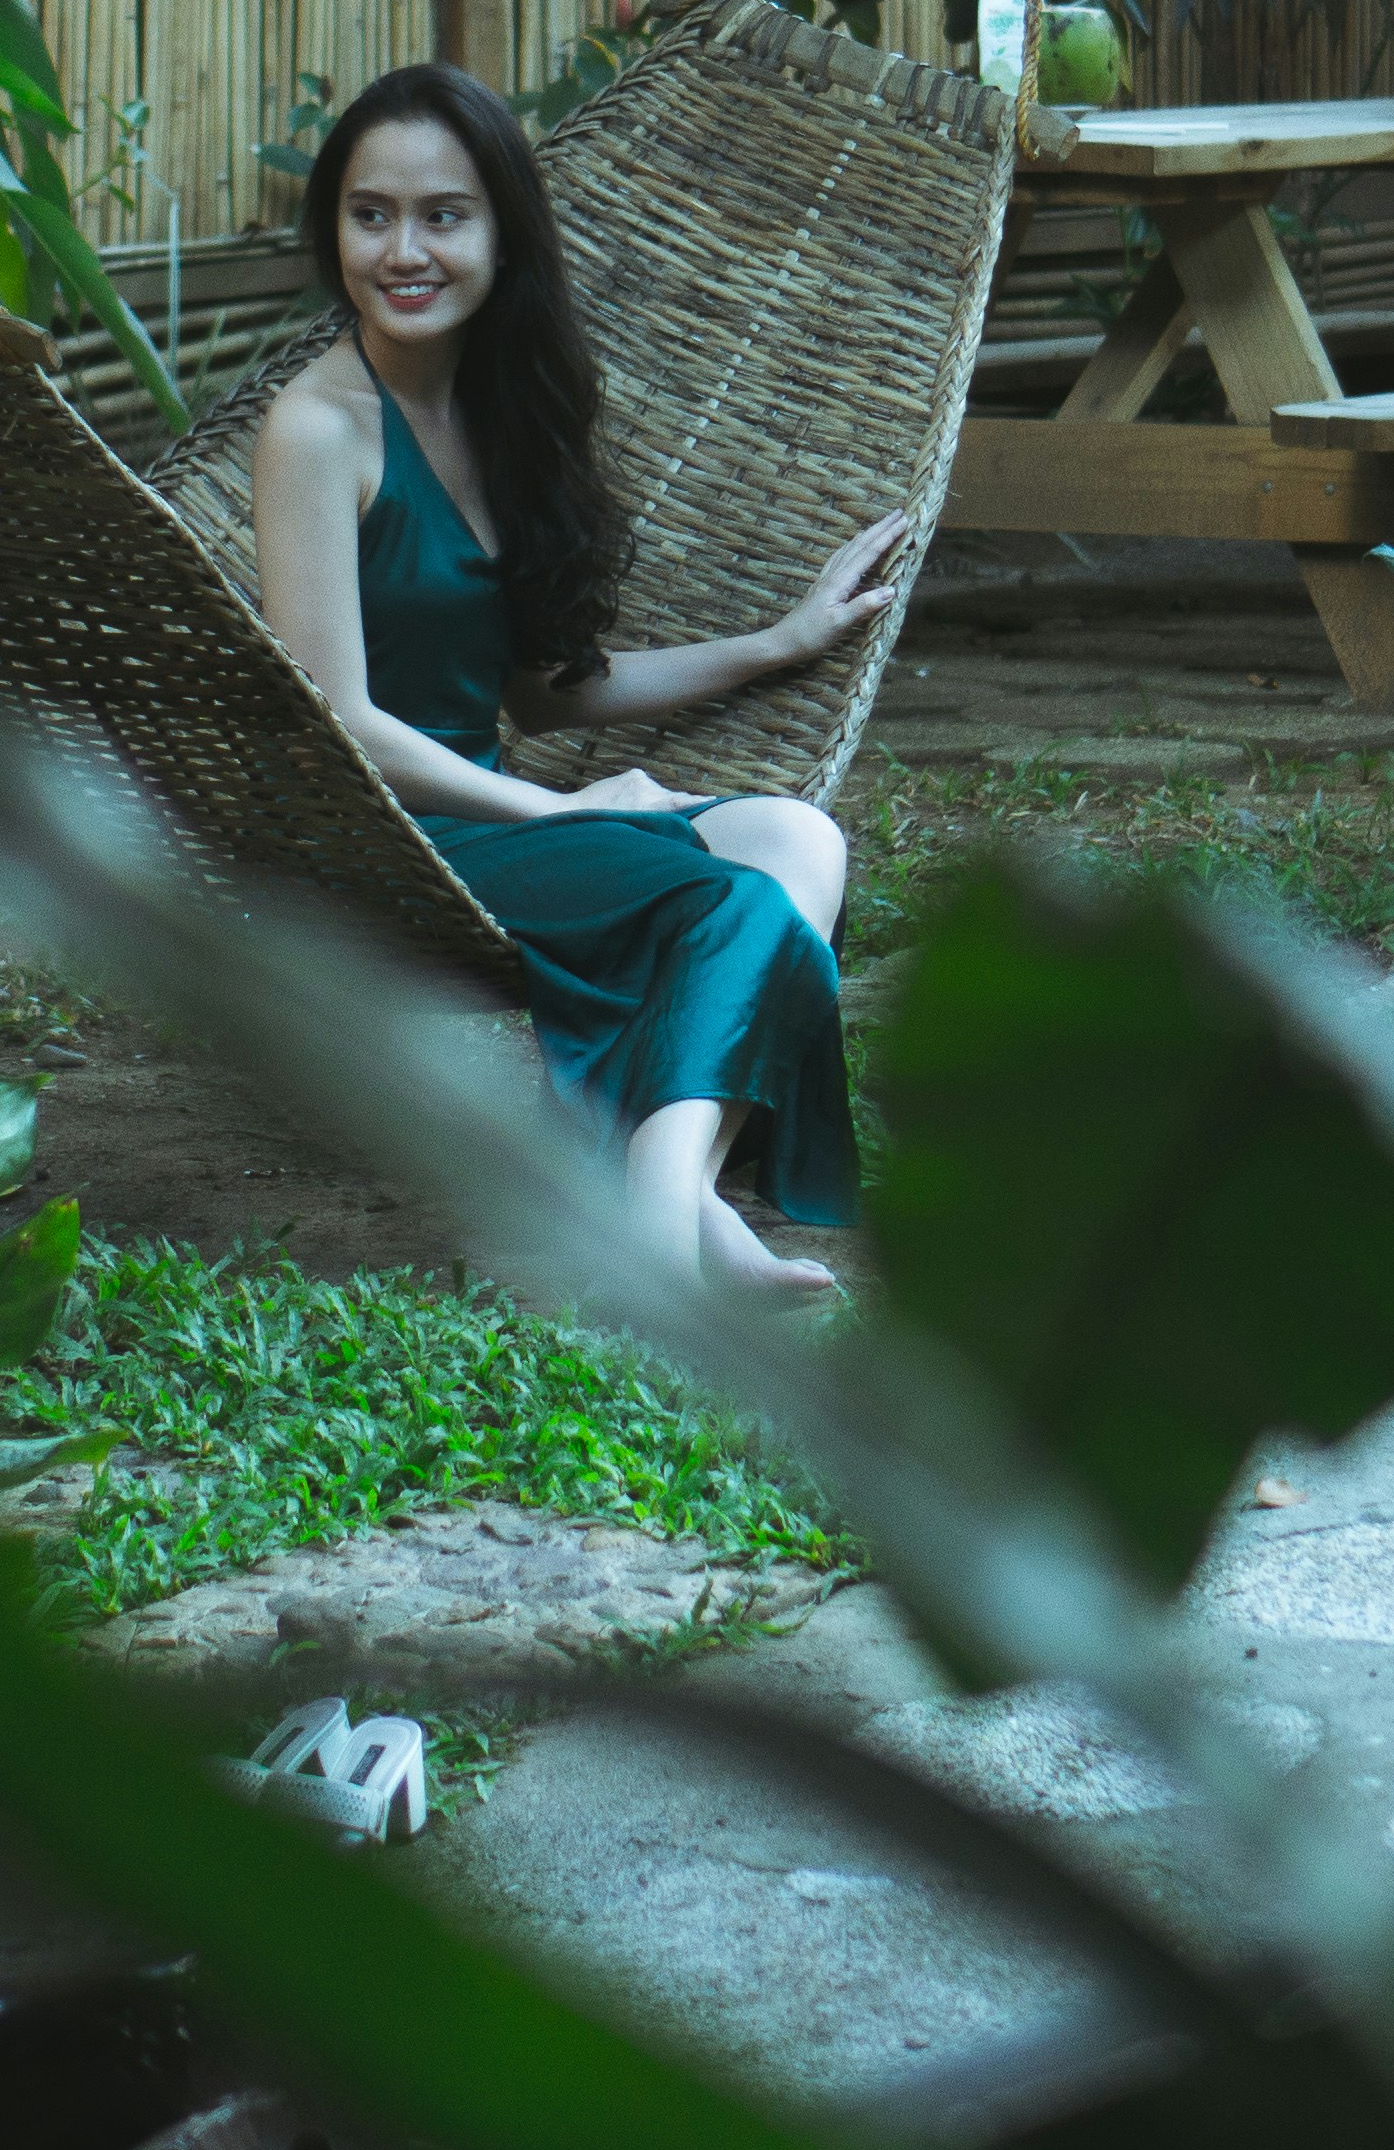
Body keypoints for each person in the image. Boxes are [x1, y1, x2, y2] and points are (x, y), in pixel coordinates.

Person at [249, 65, 906, 1307]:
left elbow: (544, 695)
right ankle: (666, 1231)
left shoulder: (496, 415)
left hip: (485, 811)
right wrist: (564, 814)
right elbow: (338, 723)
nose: (405, 249)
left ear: (502, 231)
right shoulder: (317, 431)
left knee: (797, 839)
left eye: (444, 214)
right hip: (384, 836)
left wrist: (778, 641)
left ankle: (669, 1199)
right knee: (740, 911)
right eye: (369, 213)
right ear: (330, 227)